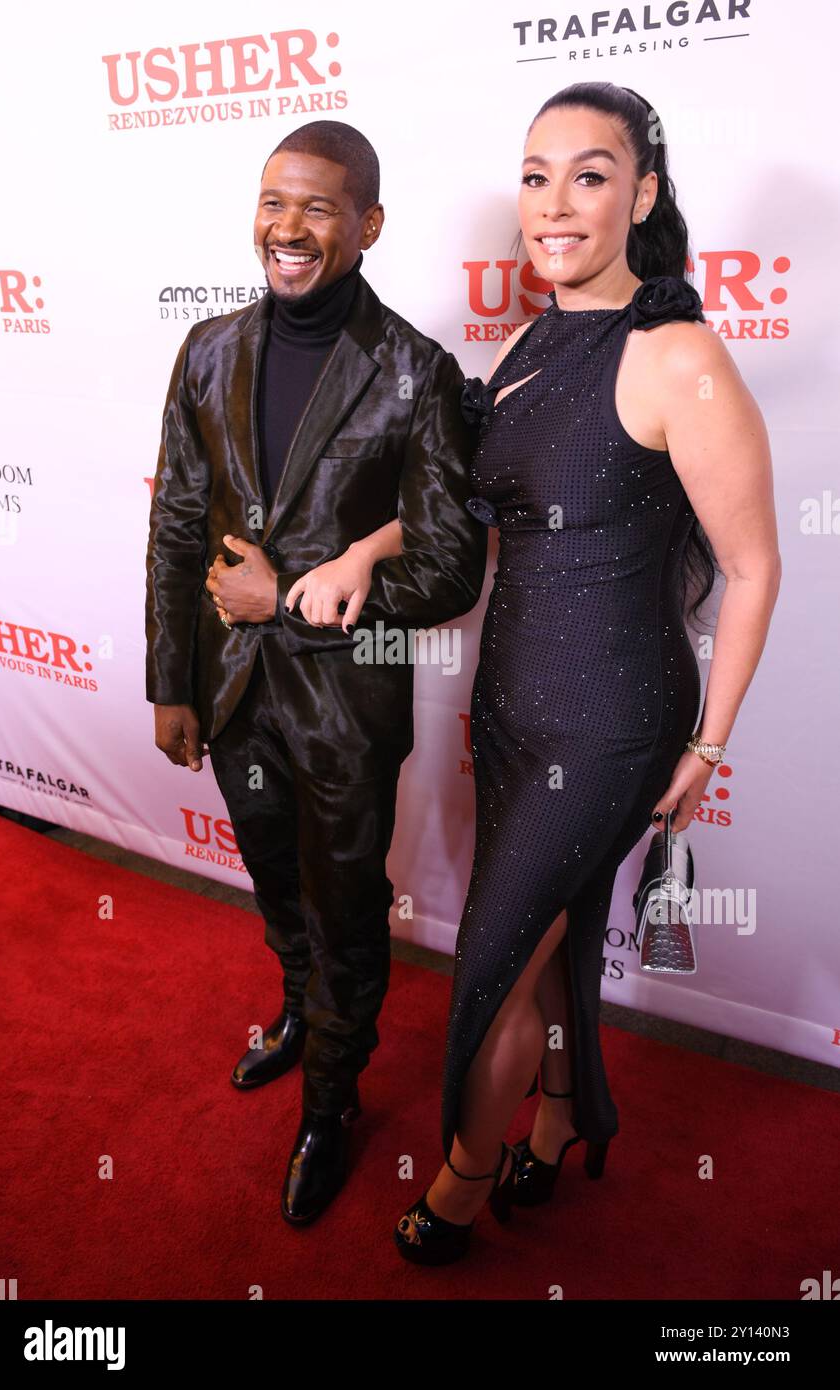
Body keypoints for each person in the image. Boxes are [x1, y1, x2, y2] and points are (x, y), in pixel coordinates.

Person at [391, 82, 781, 1265]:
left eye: (589, 175)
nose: (552, 206)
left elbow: (752, 567)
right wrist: (362, 551)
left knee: (495, 962)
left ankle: (462, 1172)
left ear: (642, 195)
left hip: (610, 722)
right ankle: (564, 1115)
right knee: (554, 937)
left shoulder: (676, 355)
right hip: (507, 704)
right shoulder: (522, 336)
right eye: (533, 175)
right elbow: (464, 511)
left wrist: (704, 748)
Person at [144, 120, 487, 1226]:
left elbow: (445, 565)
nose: (287, 229)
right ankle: (297, 1014)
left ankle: (331, 1105)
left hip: (344, 710)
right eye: (273, 202)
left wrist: (287, 593)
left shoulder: (414, 372)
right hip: (235, 698)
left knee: (347, 913)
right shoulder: (205, 347)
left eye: (318, 208)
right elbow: (177, 529)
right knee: (278, 885)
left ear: (367, 226)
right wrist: (171, 682)